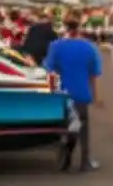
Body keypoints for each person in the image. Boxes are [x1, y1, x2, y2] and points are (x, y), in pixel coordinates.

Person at [43, 19, 103, 172]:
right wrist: (96, 96)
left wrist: (51, 91)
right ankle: (85, 161)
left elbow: (50, 70)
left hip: (62, 93)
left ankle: (65, 157)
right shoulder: (89, 47)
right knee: (83, 128)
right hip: (81, 93)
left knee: (66, 126)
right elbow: (93, 74)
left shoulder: (56, 46)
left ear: (65, 29)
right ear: (79, 29)